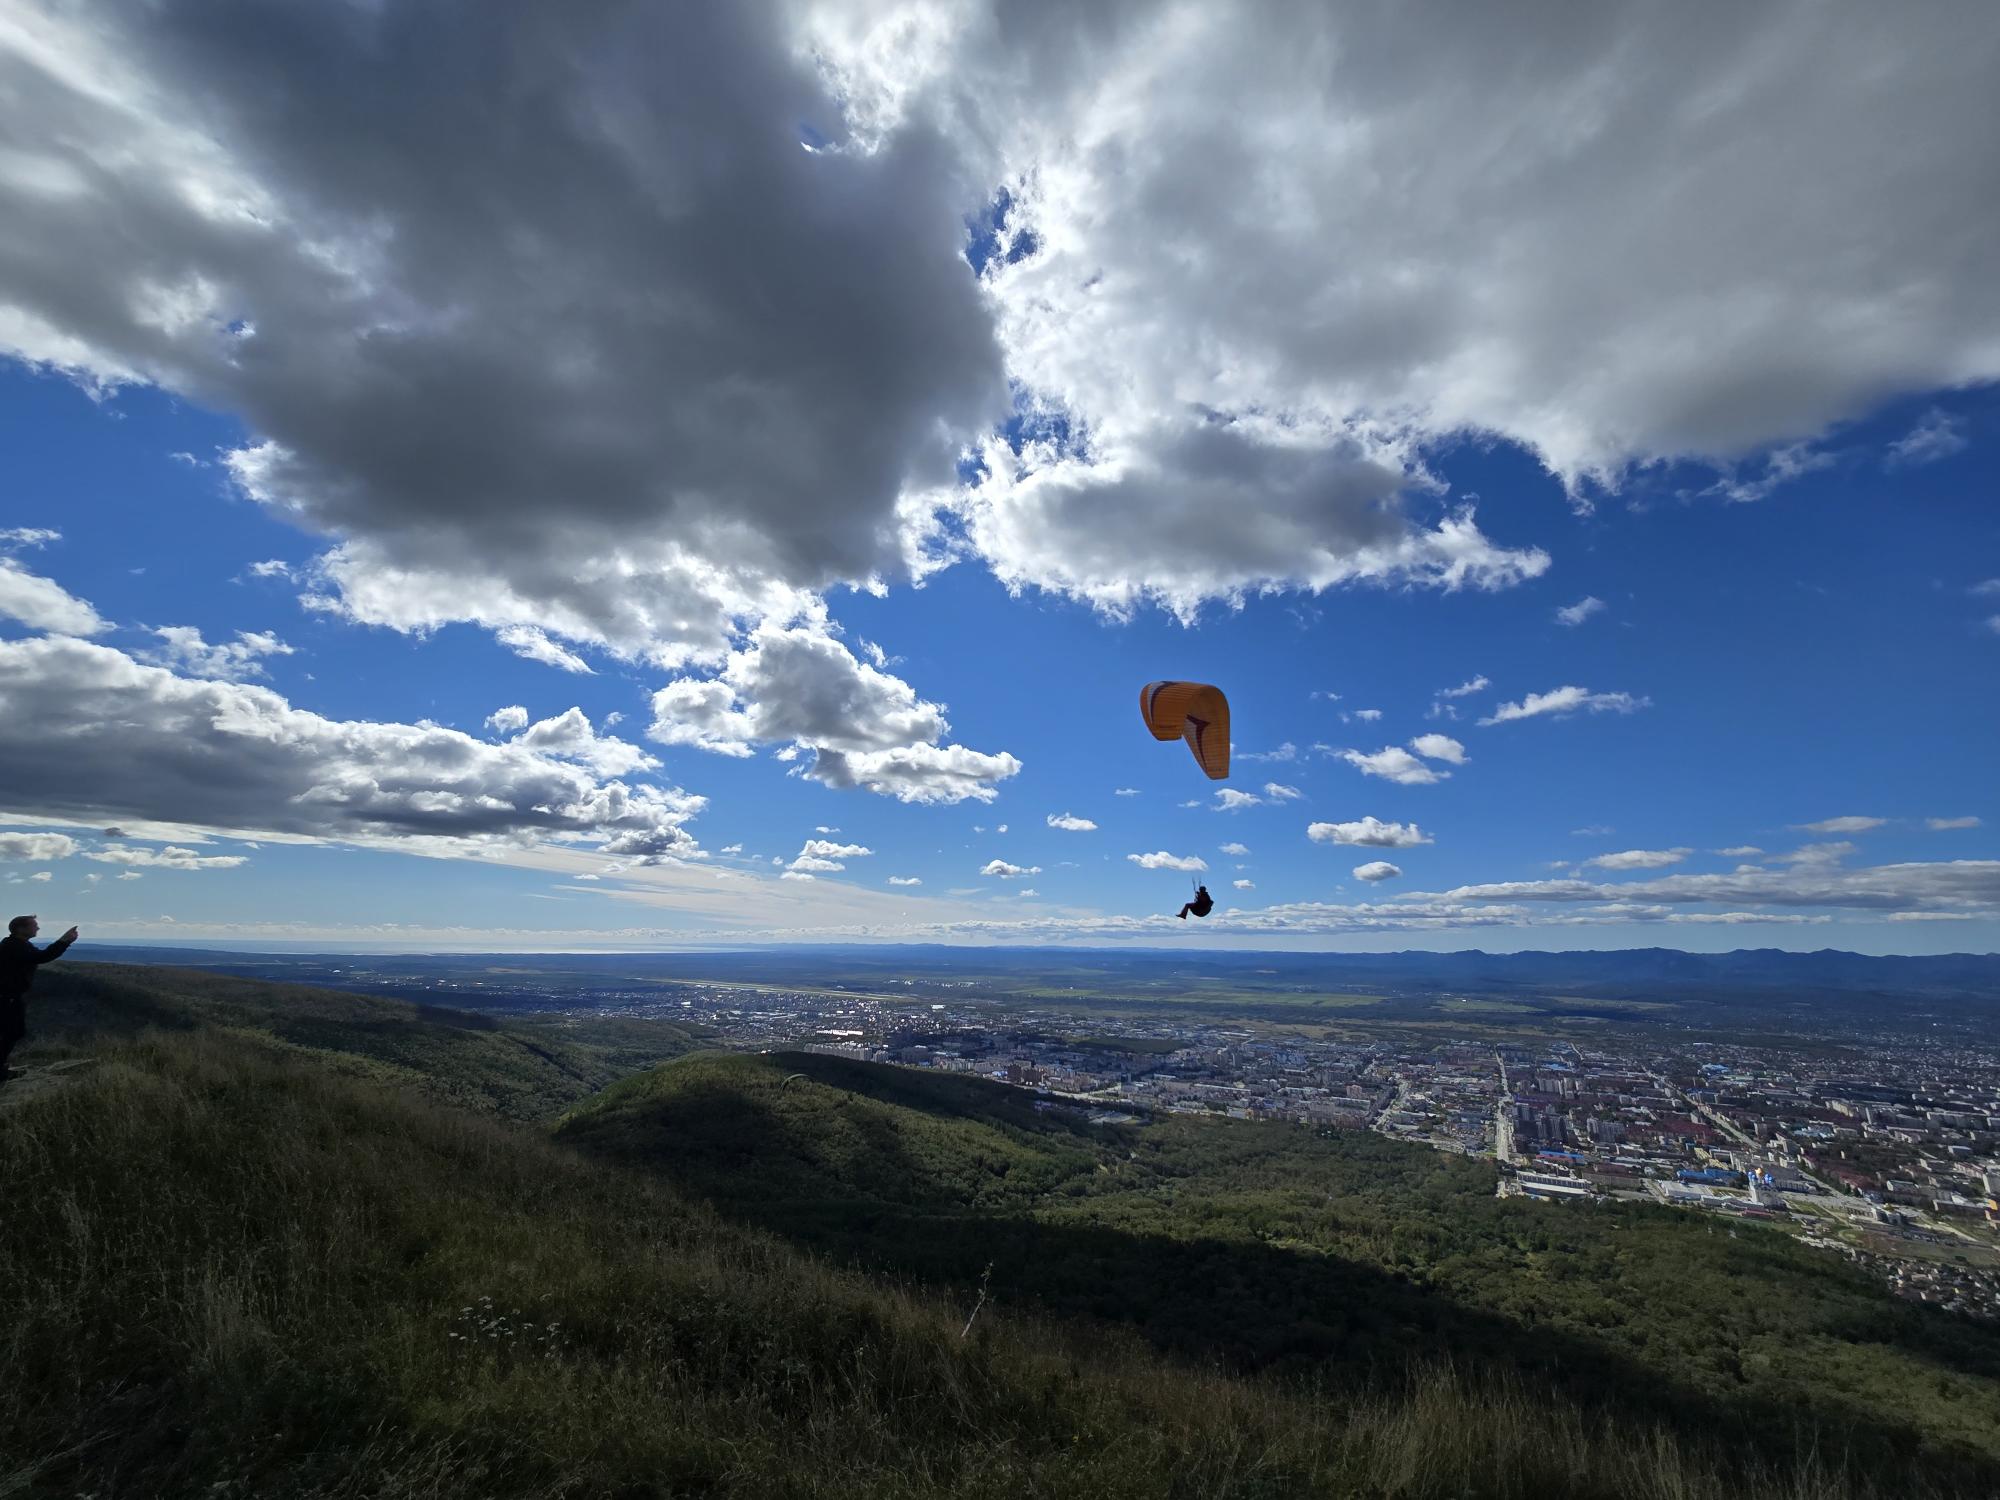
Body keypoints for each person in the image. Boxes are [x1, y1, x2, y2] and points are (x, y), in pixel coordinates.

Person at [0, 915, 77, 1085]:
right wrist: (64, 941)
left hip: (10, 996)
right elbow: (42, 957)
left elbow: (39, 956)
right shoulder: (14, 946)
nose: (38, 928)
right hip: (7, 997)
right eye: (34, 925)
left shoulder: (15, 944)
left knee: (12, 1032)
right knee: (11, 1032)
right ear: (20, 929)